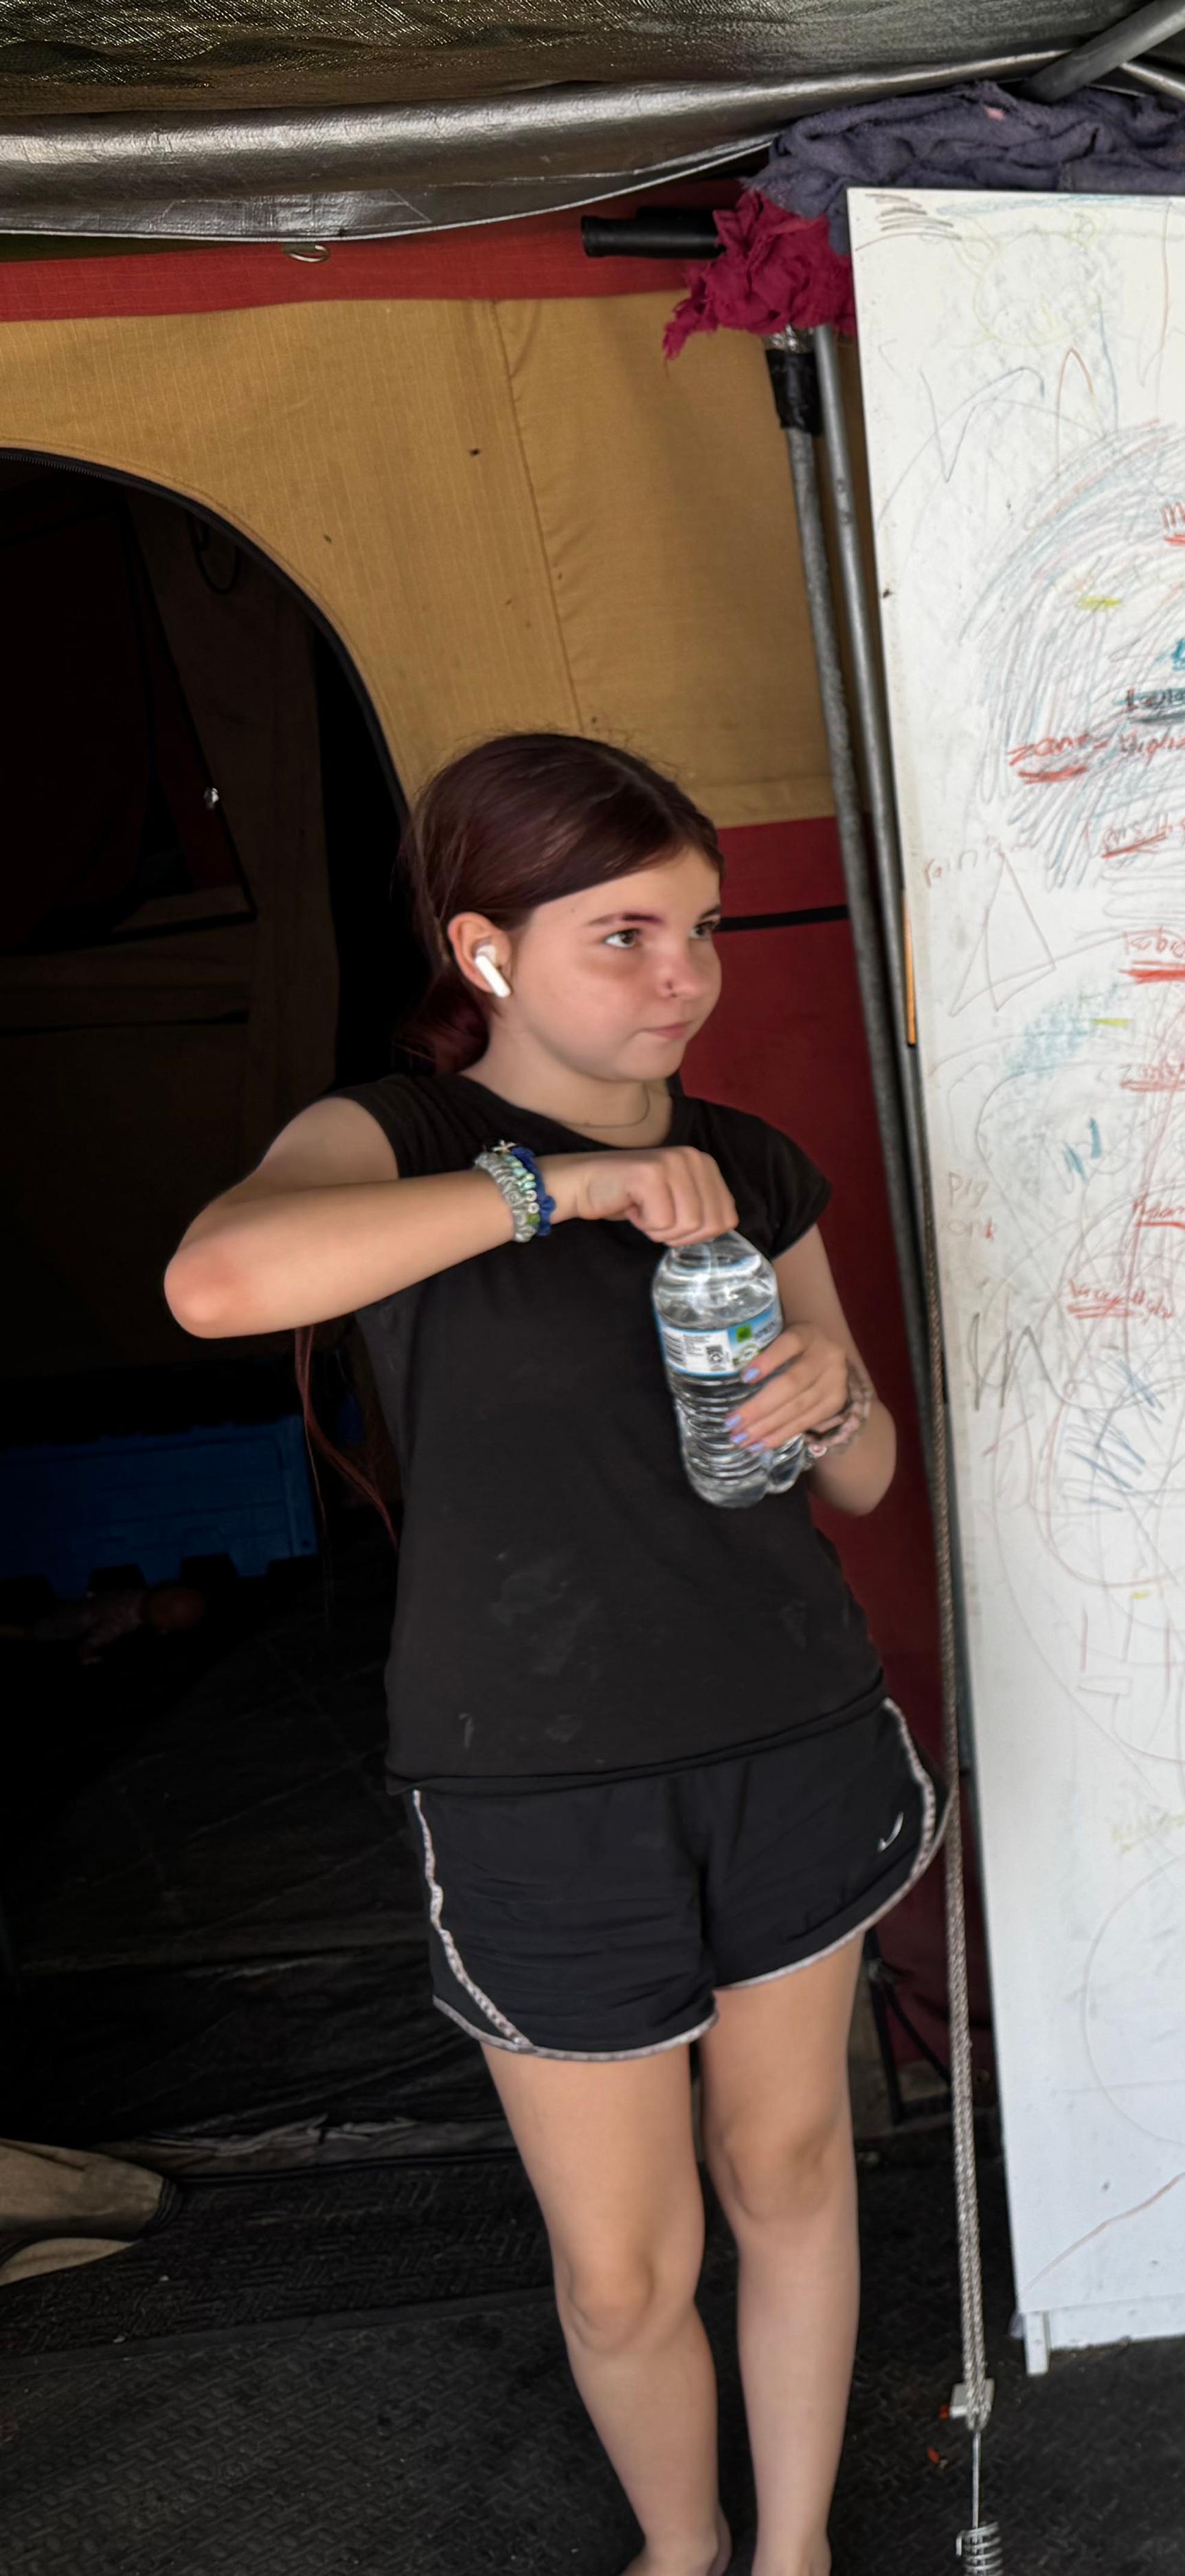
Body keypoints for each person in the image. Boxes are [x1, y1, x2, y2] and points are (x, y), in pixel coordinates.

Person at [166, 734, 917, 2576]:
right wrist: (551, 1187)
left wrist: (829, 1395)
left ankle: (796, 2544)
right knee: (624, 2258)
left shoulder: (751, 1158)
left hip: (788, 1731)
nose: (685, 983)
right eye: (627, 935)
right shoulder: (398, 1139)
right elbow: (217, 1279)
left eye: (706, 934)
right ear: (488, 947)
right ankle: (684, 2545)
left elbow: (877, 1469)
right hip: (532, 1784)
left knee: (793, 2167)